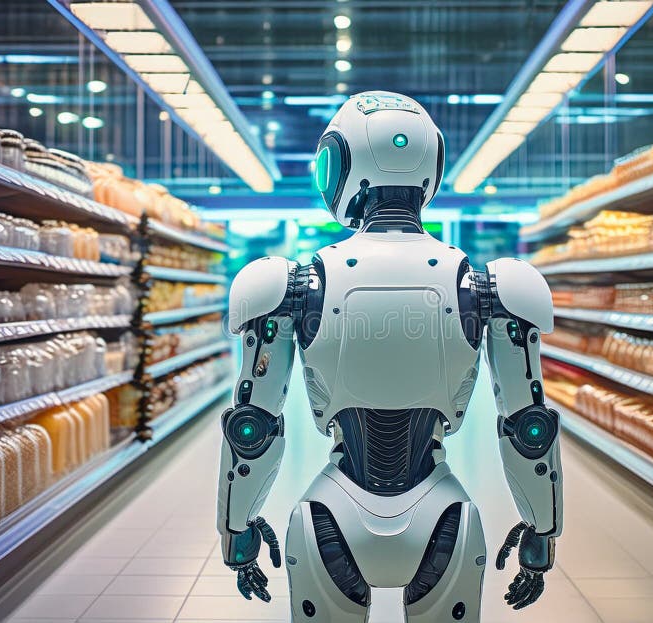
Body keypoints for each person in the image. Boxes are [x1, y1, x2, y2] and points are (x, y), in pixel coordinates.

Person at [217, 91, 563, 622]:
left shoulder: (292, 283)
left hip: (329, 516)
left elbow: (253, 425)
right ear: (431, 165)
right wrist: (541, 532)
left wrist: (238, 529)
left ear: (344, 163)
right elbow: (527, 425)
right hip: (445, 515)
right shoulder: (486, 285)